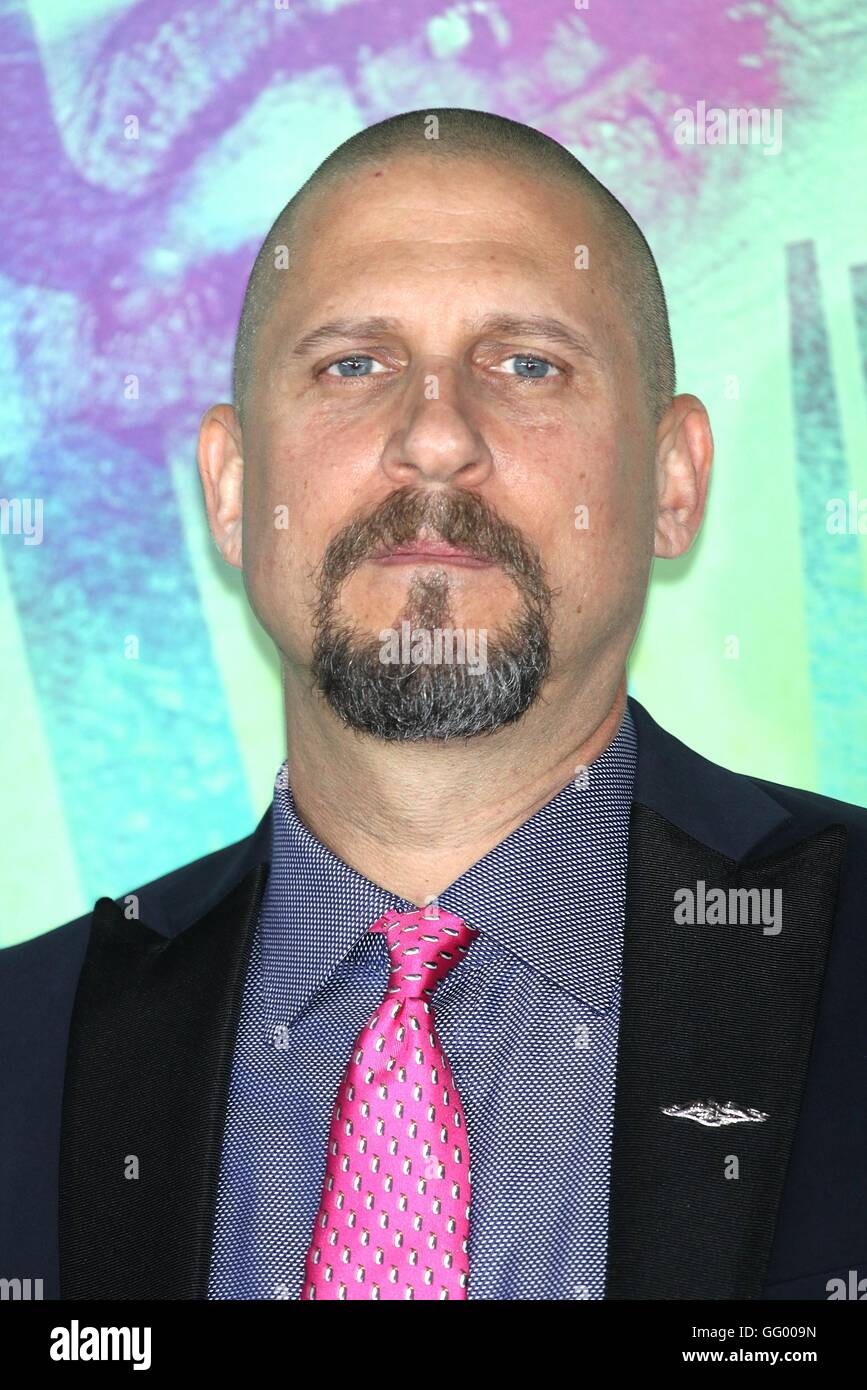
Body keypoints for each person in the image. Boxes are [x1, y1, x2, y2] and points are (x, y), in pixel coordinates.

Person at [2, 107, 865, 1302]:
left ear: (673, 482)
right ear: (234, 488)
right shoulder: (21, 1053)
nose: (437, 436)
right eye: (354, 364)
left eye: (527, 364)